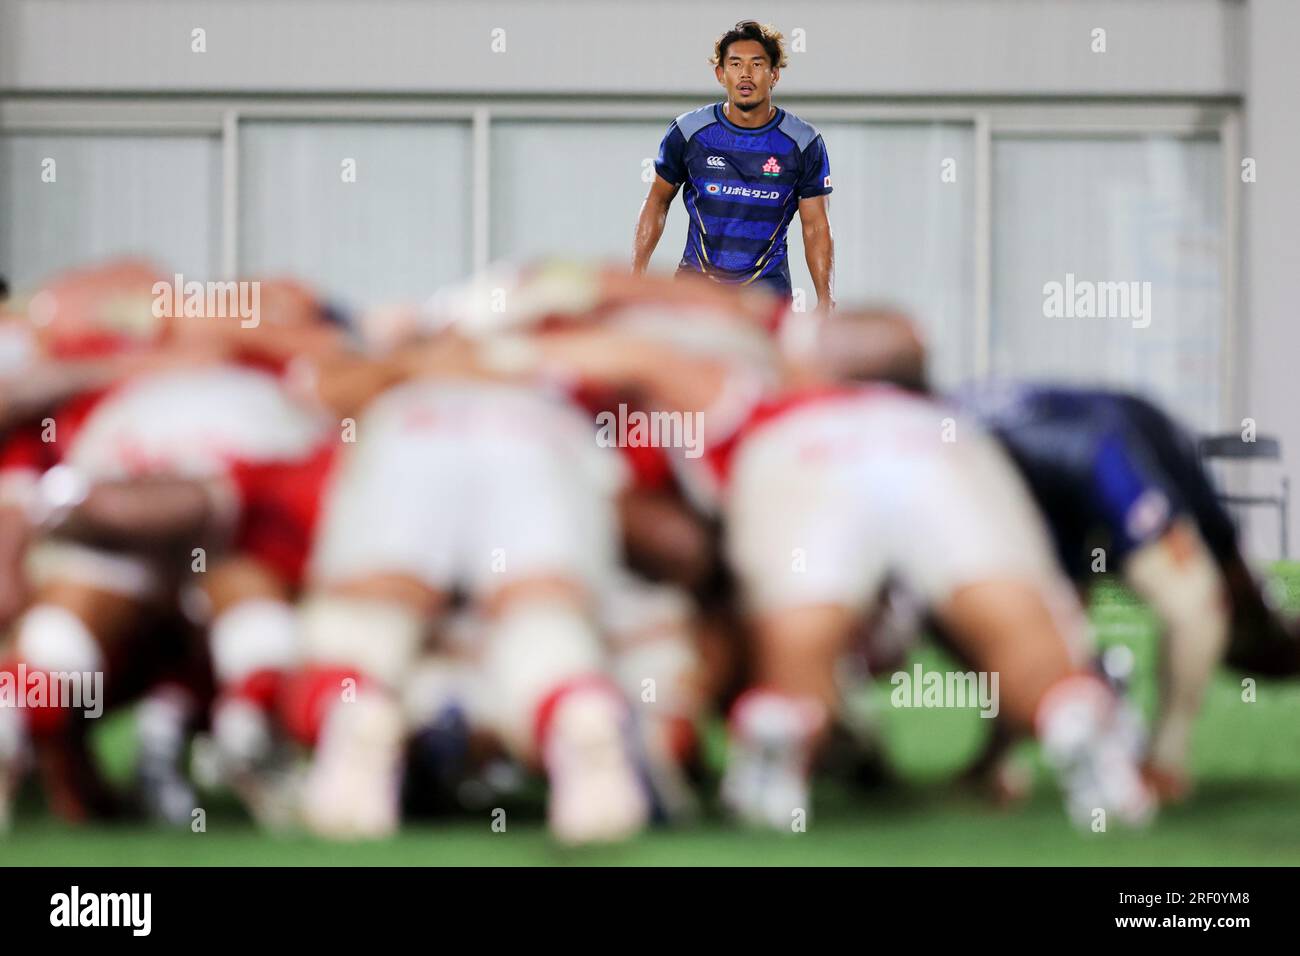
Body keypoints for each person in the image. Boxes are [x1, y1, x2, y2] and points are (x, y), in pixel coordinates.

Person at [632, 20, 835, 308]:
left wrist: (826, 300)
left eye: (757, 64)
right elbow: (656, 202)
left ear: (774, 74)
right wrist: (636, 277)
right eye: (736, 64)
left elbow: (816, 226)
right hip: (697, 293)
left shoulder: (803, 142)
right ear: (720, 73)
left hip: (768, 298)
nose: (746, 74)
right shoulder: (689, 132)